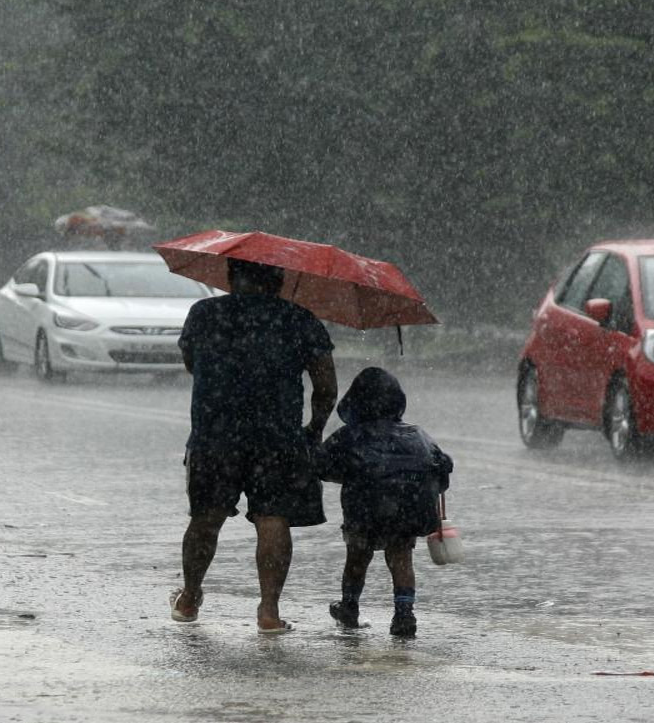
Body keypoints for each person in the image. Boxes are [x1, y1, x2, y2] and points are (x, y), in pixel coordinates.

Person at [169, 258, 337, 634]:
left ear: (230, 278)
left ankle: (190, 596)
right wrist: (315, 427)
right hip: (277, 437)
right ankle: (269, 612)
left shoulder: (204, 313)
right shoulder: (299, 318)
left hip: (215, 435)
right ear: (280, 280)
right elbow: (326, 384)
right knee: (272, 517)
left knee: (206, 517)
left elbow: (192, 363)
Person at [316, 367, 453, 637]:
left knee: (357, 556)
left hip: (364, 509)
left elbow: (322, 465)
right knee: (401, 557)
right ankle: (404, 614)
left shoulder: (349, 436)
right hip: (407, 509)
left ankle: (350, 605)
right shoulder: (418, 436)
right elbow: (441, 465)